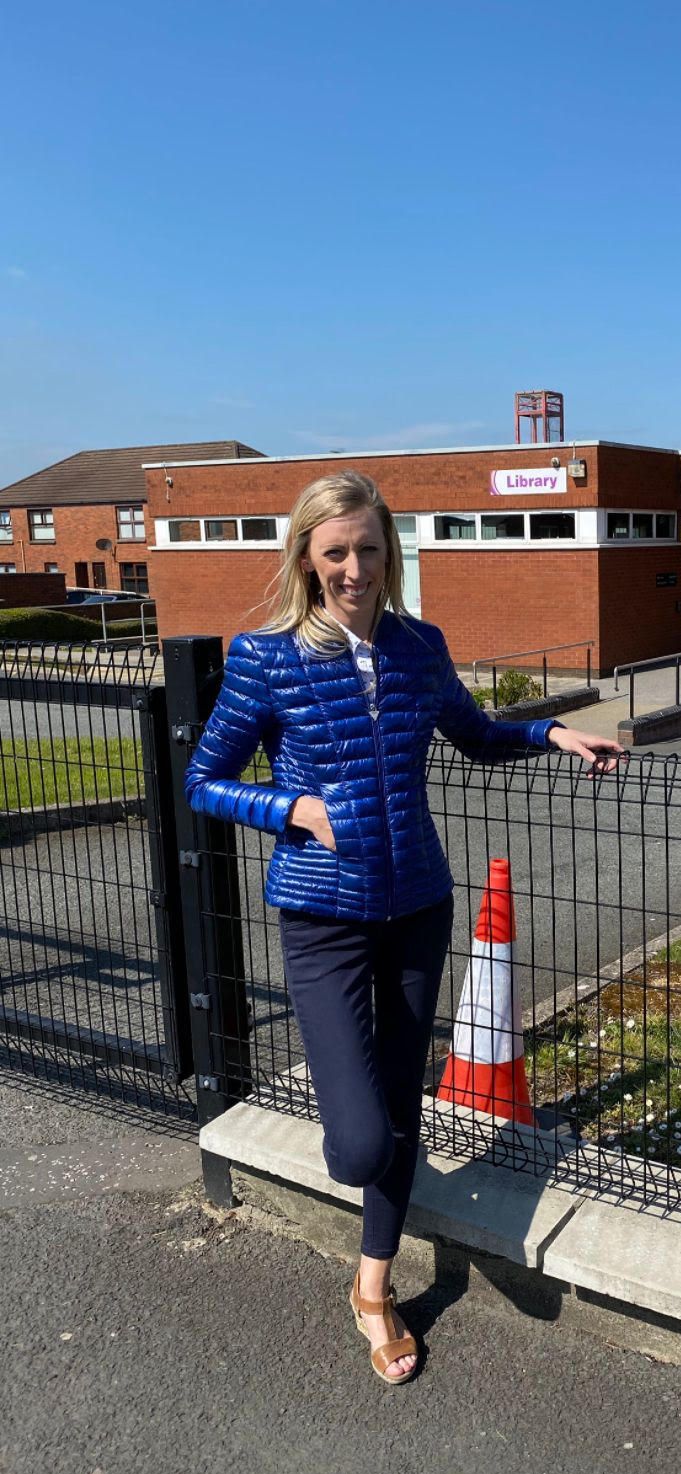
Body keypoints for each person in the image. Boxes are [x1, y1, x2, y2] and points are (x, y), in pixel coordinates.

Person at [185, 470, 623, 1385]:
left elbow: (475, 733)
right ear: (307, 558)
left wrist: (553, 735)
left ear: (391, 552)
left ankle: (373, 1285)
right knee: (359, 1143)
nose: (354, 569)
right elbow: (203, 781)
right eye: (335, 552)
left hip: (419, 905)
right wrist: (292, 808)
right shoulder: (266, 656)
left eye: (369, 549)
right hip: (323, 919)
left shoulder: (420, 645)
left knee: (398, 1102)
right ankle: (372, 1210)